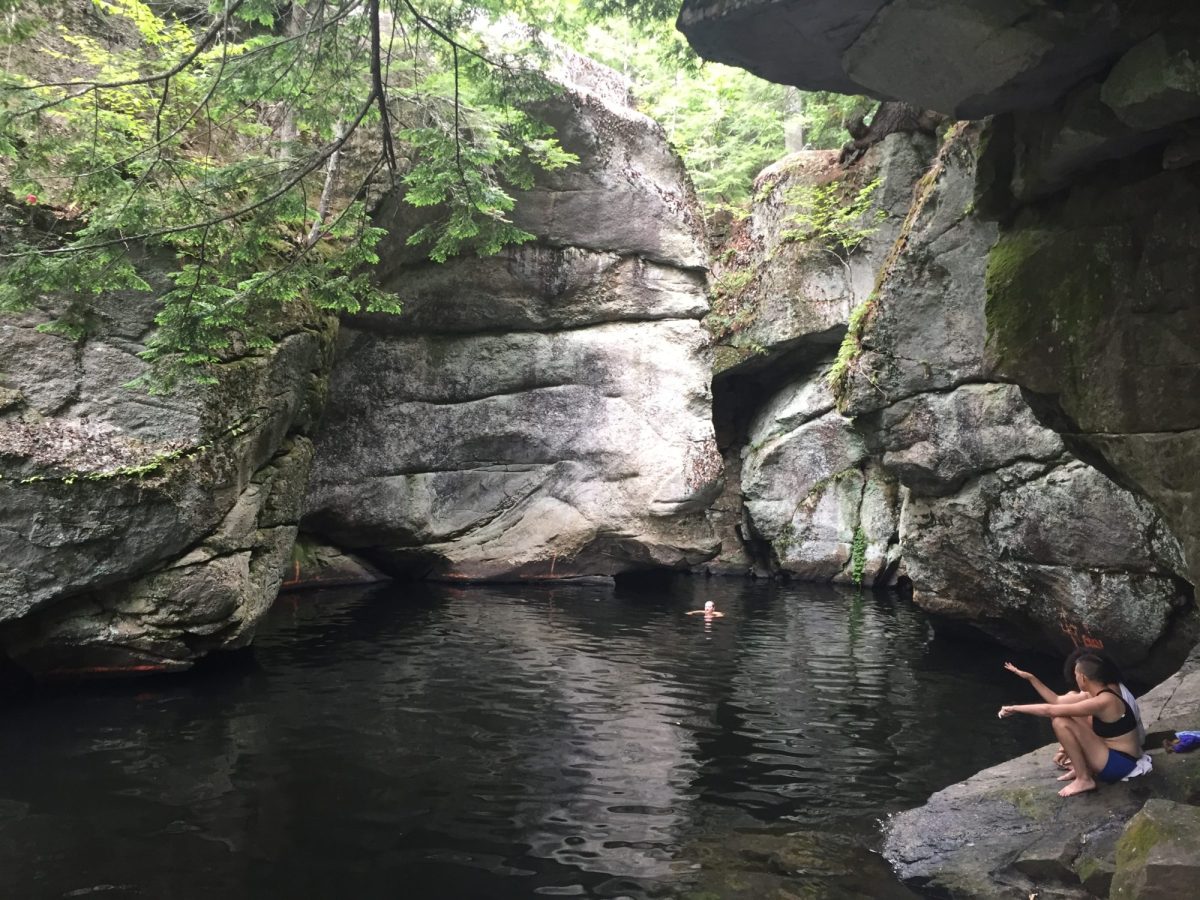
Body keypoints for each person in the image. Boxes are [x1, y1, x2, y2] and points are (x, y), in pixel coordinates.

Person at [999, 652, 1143, 797]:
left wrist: (1014, 708)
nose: (1075, 678)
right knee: (1067, 713)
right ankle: (1083, 770)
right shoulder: (1098, 693)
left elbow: (1049, 710)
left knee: (1060, 721)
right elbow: (1056, 701)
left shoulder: (1103, 701)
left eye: (1075, 674)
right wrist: (1031, 678)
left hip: (1119, 763)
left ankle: (1084, 779)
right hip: (1114, 754)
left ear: (1083, 678)